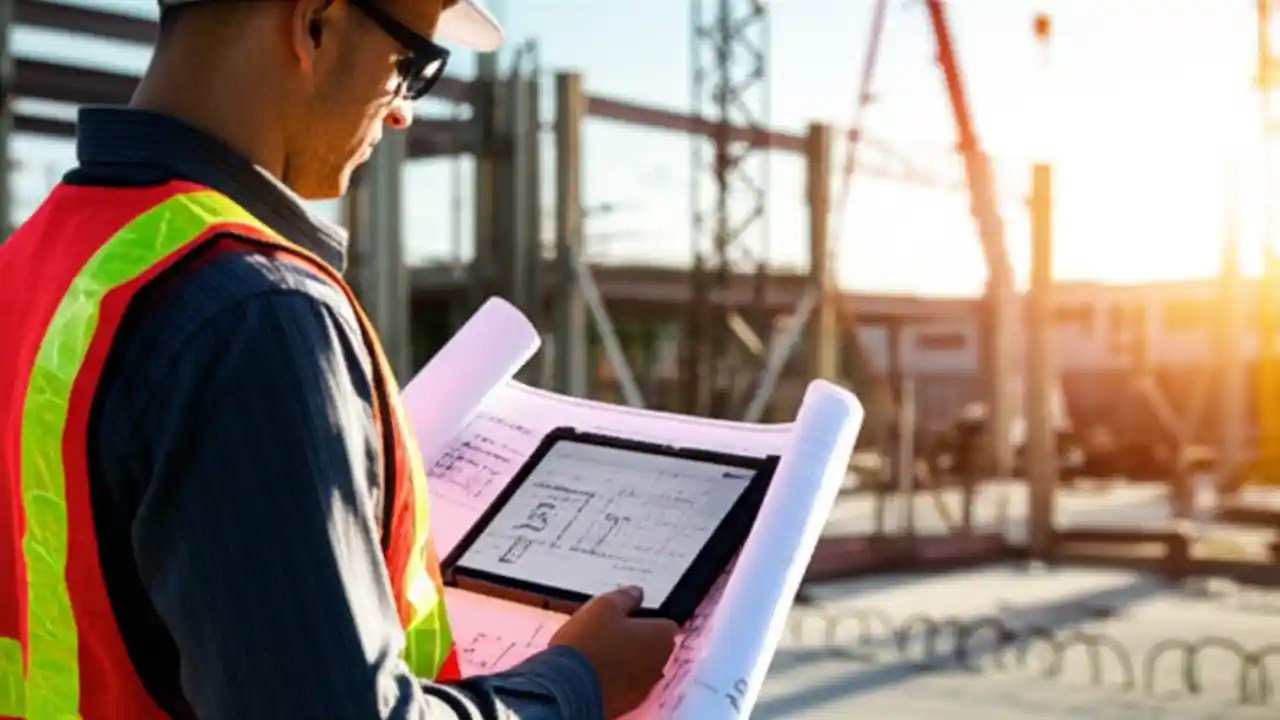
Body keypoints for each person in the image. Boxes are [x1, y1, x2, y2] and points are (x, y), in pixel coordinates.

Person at [0, 0, 678, 718]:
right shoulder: (255, 312)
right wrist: (576, 683)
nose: (401, 115)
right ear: (314, 23)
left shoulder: (36, 263)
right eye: (409, 67)